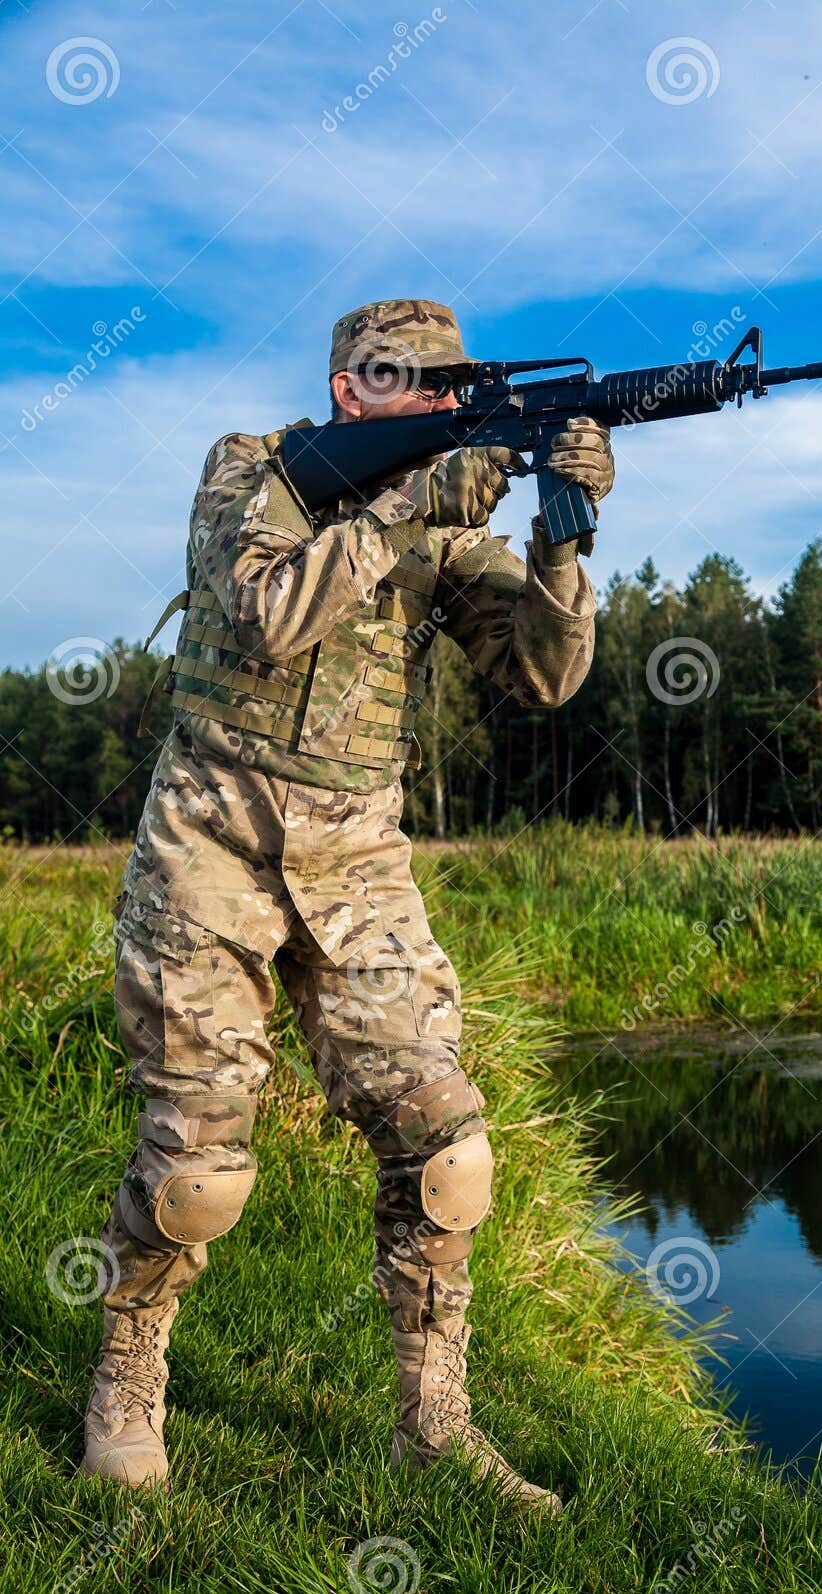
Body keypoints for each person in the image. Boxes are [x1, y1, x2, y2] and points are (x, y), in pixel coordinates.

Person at [82, 299, 613, 1516]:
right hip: (210, 845)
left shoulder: (440, 515)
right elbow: (265, 614)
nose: (435, 401)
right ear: (346, 390)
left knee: (448, 1148)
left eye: (448, 384)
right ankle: (127, 1370)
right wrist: (402, 505)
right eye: (409, 382)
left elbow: (540, 675)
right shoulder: (251, 473)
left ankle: (432, 1425)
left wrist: (561, 542)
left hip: (358, 864)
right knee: (197, 1168)